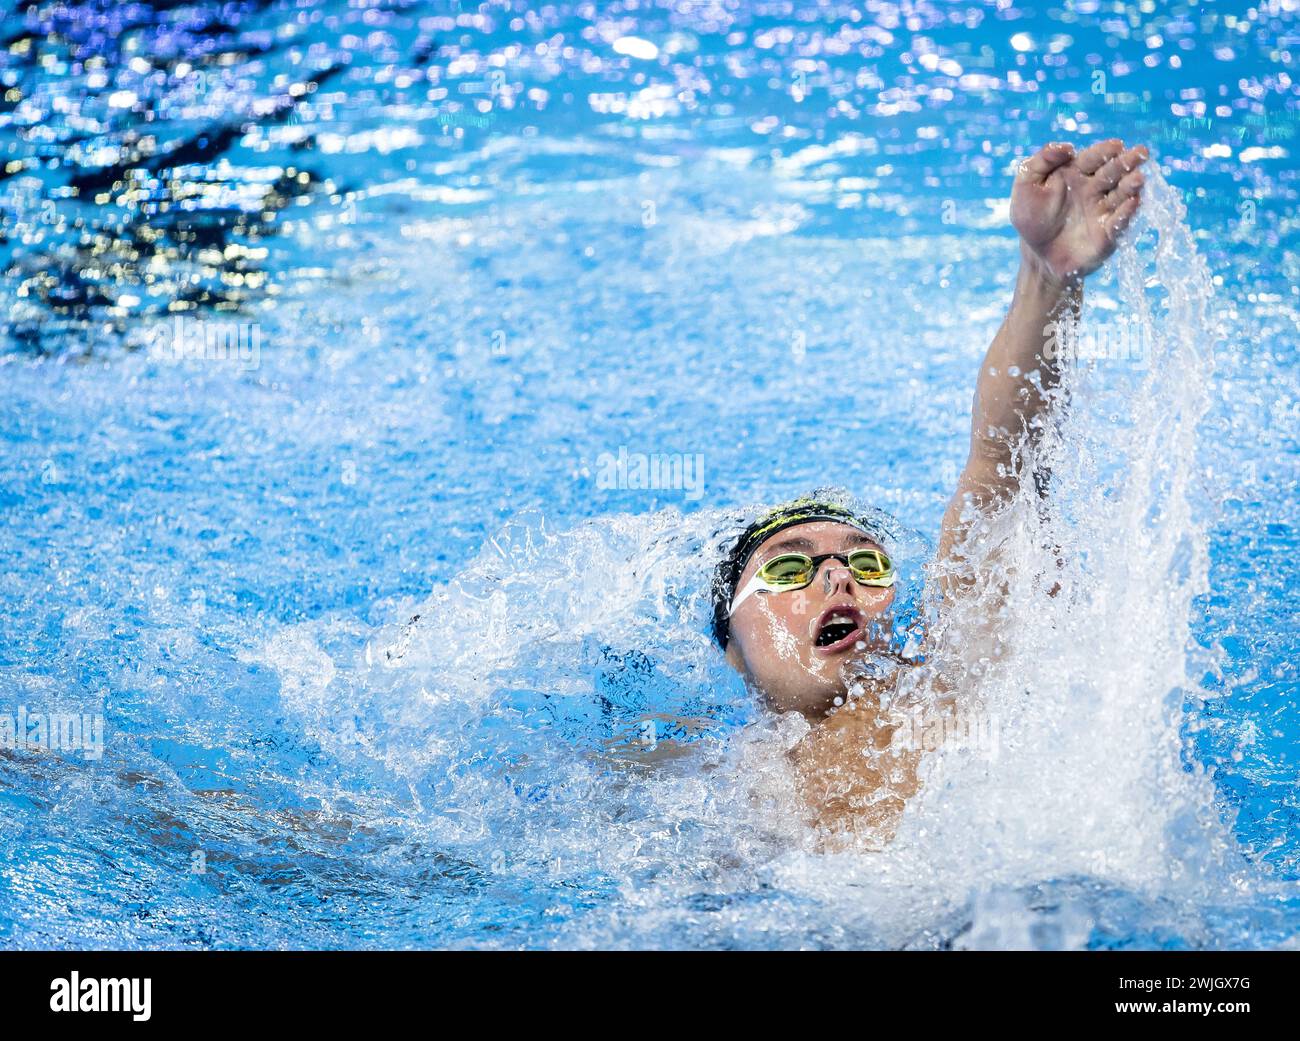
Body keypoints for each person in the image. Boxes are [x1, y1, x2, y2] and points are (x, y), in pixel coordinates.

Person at [710, 138, 1150, 841]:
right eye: (791, 567)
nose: (836, 573)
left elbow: (1000, 467)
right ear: (730, 647)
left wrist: (1047, 277)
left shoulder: (952, 687)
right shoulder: (709, 788)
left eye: (866, 562)